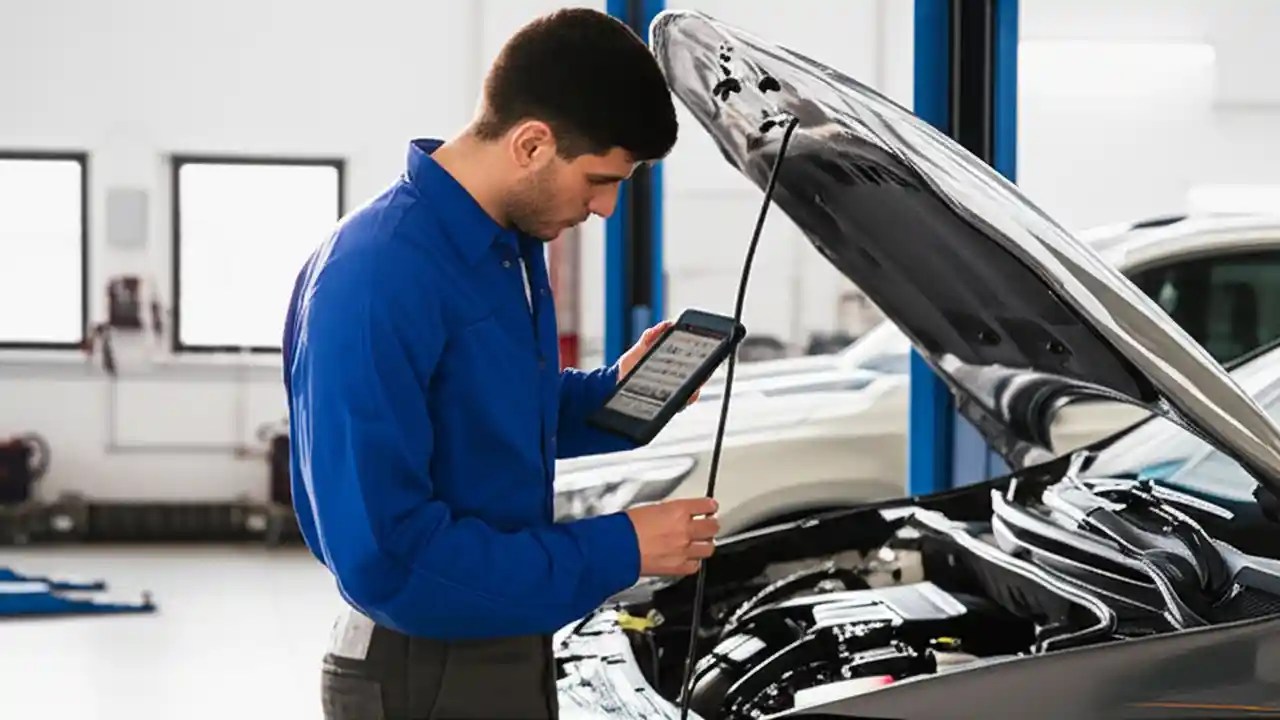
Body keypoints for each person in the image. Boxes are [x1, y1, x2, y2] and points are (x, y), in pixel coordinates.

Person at [281, 8, 719, 720]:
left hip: (492, 638)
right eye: (600, 179)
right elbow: (389, 557)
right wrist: (620, 548)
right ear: (532, 143)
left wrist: (615, 397)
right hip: (423, 663)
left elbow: (491, 407)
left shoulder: (502, 246)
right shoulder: (376, 276)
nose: (606, 209)